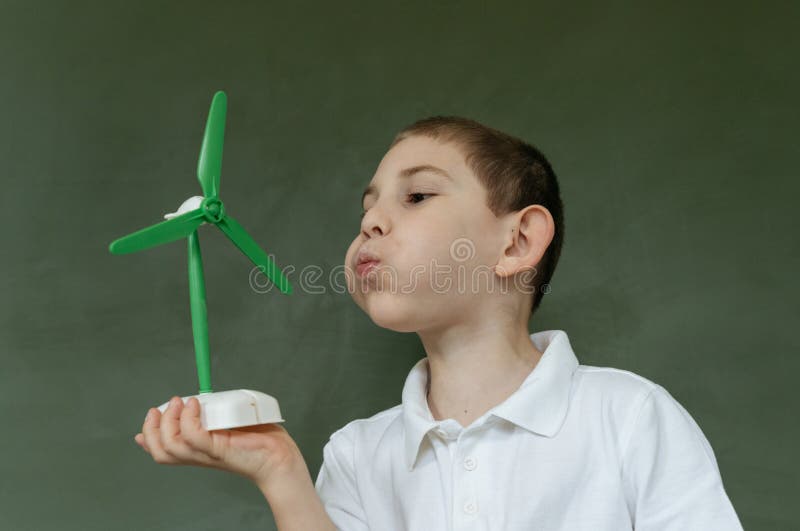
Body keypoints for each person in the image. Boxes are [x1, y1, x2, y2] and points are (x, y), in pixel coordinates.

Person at [134, 116, 744, 530]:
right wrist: (281, 474)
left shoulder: (632, 417)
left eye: (417, 197)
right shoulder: (357, 454)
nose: (371, 221)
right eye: (366, 205)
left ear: (517, 241)